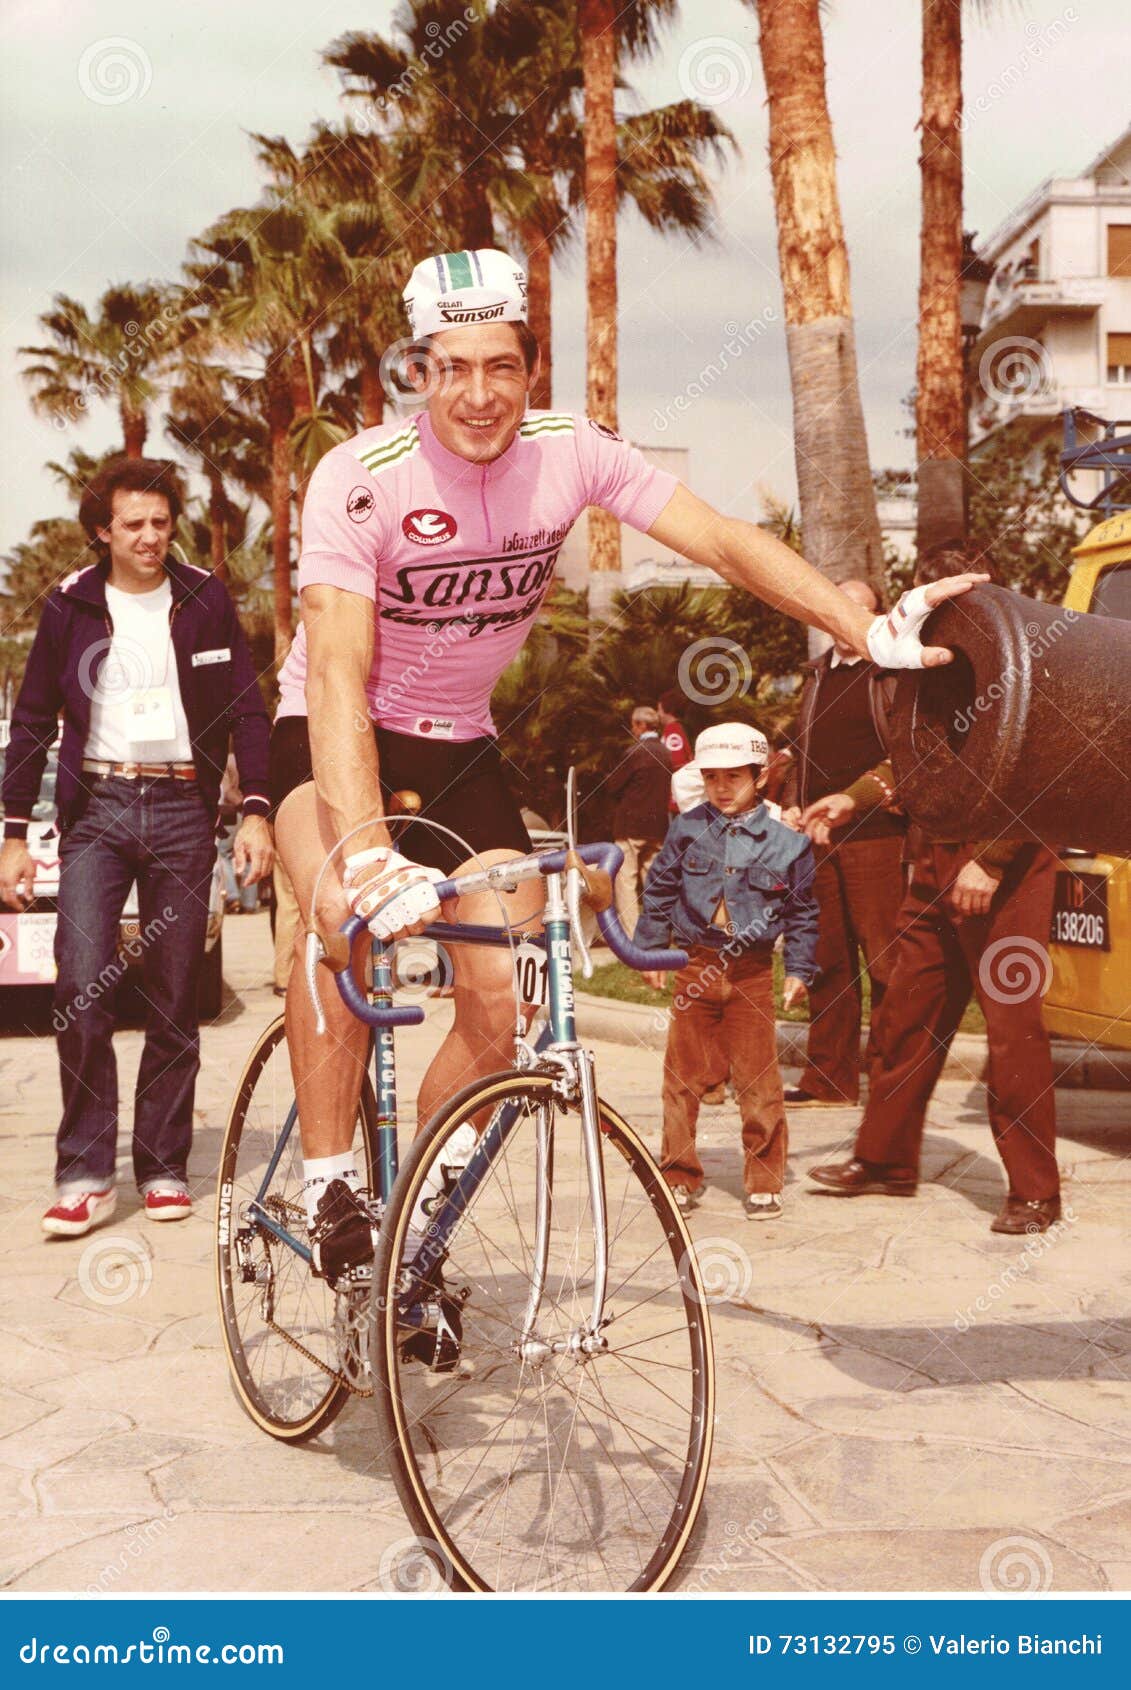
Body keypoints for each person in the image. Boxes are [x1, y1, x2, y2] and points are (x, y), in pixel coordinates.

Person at [268, 243, 987, 1281]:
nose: (480, 395)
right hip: (334, 726)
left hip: (460, 741)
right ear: (418, 370)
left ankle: (408, 1229)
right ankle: (331, 1179)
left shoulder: (572, 451)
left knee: (508, 1005)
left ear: (530, 365)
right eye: (454, 368)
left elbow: (722, 541)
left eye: (502, 366)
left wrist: (849, 621)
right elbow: (337, 672)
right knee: (339, 911)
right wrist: (371, 848)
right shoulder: (360, 479)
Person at [0, 457, 273, 1238]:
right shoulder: (70, 607)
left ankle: (160, 1164)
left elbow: (249, 713)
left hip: (186, 807)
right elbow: (30, 722)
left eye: (160, 522)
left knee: (173, 996)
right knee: (78, 986)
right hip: (97, 812)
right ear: (102, 531)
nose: (151, 537)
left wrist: (253, 810)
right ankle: (86, 1172)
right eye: (133, 525)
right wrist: (14, 833)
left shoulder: (205, 597)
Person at [803, 560, 1062, 1236]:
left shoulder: (1030, 662)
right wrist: (852, 797)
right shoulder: (924, 669)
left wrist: (989, 858)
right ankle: (884, 1161)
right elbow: (908, 760)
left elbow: (1046, 769)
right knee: (903, 1013)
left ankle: (1035, 1193)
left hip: (1006, 865)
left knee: (1012, 1036)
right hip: (932, 860)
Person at [637, 724, 818, 1219]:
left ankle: (764, 1179)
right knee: (681, 1075)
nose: (721, 787)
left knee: (758, 1081)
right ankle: (678, 1172)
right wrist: (651, 949)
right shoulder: (687, 829)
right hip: (695, 963)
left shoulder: (788, 845)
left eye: (733, 777)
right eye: (711, 776)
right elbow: (659, 892)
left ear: (760, 777)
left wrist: (799, 968)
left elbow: (803, 912)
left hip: (753, 972)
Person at [780, 579, 906, 1107]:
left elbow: (910, 754)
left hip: (877, 838)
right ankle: (828, 1080)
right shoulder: (815, 677)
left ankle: (890, 1081)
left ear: (878, 620)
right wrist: (791, 799)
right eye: (838, 608)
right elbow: (798, 750)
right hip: (817, 839)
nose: (846, 618)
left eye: (861, 610)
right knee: (827, 958)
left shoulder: (892, 677)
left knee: (885, 961)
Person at [607, 705, 672, 937]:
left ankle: (634, 938)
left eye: (634, 725)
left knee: (625, 883)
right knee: (654, 881)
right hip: (657, 828)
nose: (633, 730)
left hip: (630, 827)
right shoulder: (666, 753)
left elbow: (612, 785)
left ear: (641, 725)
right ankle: (659, 934)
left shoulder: (635, 752)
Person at [218, 753, 260, 913]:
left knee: (224, 854)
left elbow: (227, 790)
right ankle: (249, 903)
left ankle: (232, 896)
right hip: (251, 813)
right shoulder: (249, 758)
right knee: (250, 856)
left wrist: (240, 804)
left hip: (232, 813)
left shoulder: (226, 760)